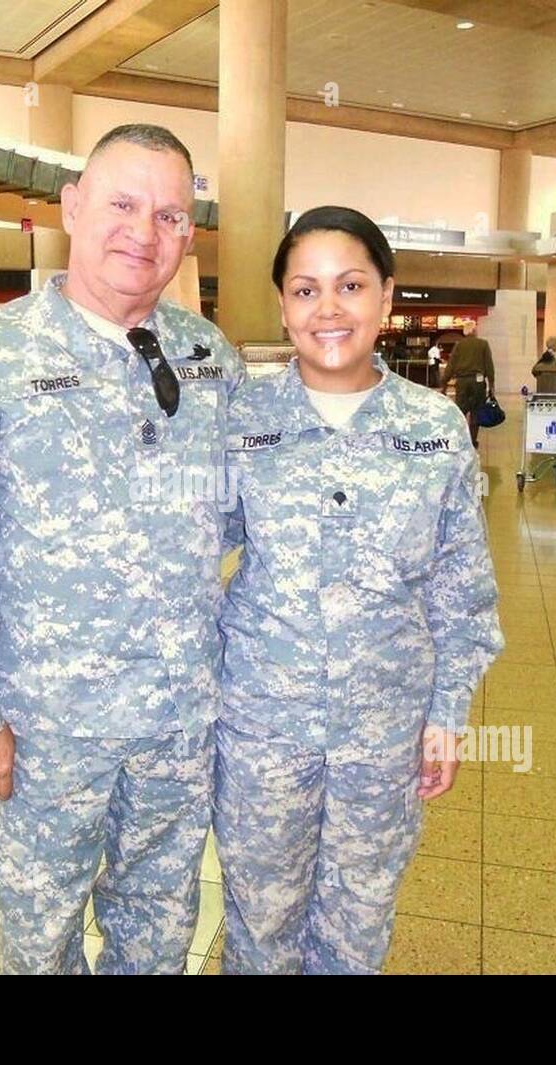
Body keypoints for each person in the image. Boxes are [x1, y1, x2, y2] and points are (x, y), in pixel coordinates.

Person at [0, 124, 245, 974]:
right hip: (44, 736)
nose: (142, 232)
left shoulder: (209, 358)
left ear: (187, 236)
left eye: (168, 216)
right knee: (41, 944)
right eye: (122, 204)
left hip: (176, 729)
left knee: (158, 934)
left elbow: (242, 521)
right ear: (74, 207)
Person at [216, 206, 503, 974]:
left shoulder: (435, 427)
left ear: (386, 295)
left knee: (357, 928)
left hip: (385, 734)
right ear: (283, 306)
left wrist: (447, 715)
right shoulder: (242, 422)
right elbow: (182, 558)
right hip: (261, 731)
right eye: (305, 290)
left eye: (350, 285)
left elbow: (463, 594)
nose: (328, 308)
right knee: (258, 922)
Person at [439, 319, 496, 447]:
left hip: (462, 382)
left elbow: (451, 365)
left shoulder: (459, 345)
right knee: (476, 412)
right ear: (475, 331)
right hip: (478, 382)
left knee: (460, 411)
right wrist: (492, 385)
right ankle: (472, 441)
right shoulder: (483, 344)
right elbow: (489, 365)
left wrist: (444, 384)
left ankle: (459, 438)